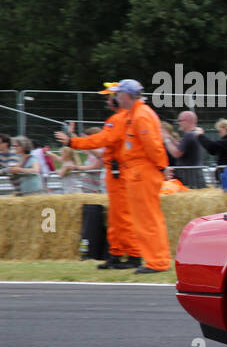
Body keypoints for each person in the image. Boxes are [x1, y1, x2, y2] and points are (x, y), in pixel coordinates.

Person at [61, 79, 170, 273]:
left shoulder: (139, 115)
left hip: (140, 171)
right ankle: (147, 258)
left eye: (117, 94)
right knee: (138, 219)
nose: (115, 98)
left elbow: (153, 146)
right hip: (134, 171)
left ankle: (157, 261)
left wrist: (162, 168)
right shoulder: (133, 115)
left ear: (126, 95)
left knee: (146, 219)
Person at [55, 83, 141, 269]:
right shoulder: (120, 118)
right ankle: (116, 254)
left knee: (122, 217)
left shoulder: (118, 119)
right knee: (115, 217)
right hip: (116, 172)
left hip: (120, 173)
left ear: (117, 98)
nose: (107, 101)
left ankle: (134, 256)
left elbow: (101, 140)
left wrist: (72, 141)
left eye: (109, 97)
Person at [168, 110, 207, 188]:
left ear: (187, 121)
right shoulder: (197, 134)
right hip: (197, 178)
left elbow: (177, 153)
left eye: (180, 121)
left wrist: (166, 140)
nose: (178, 123)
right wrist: (171, 137)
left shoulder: (189, 135)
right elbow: (181, 146)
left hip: (189, 180)